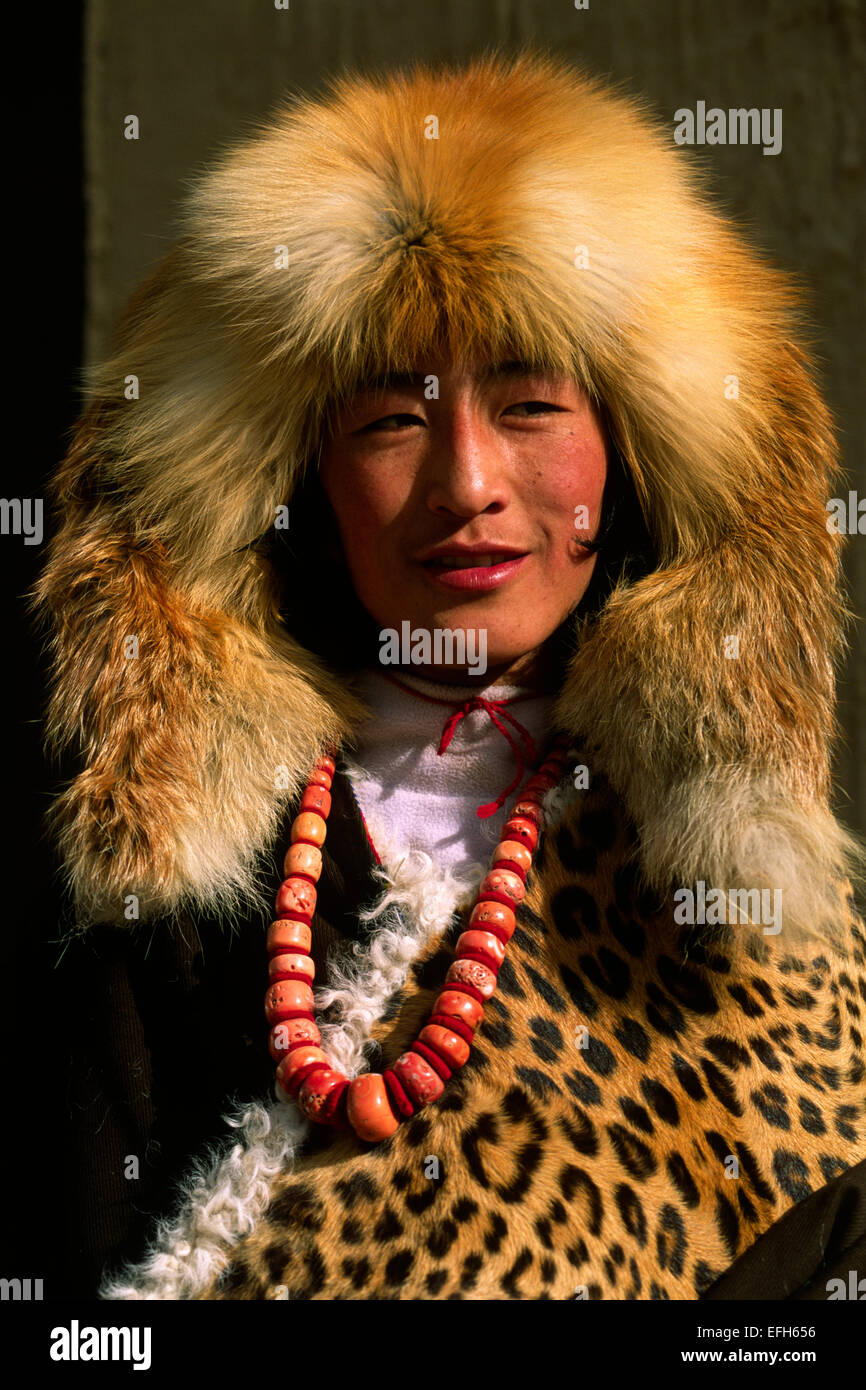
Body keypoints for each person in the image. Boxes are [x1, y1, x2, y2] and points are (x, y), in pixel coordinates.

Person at [37, 49, 866, 1300]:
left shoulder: (744, 910)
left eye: (532, 405)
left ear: (629, 454)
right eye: (387, 420)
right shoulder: (167, 907)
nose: (466, 484)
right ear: (300, 484)